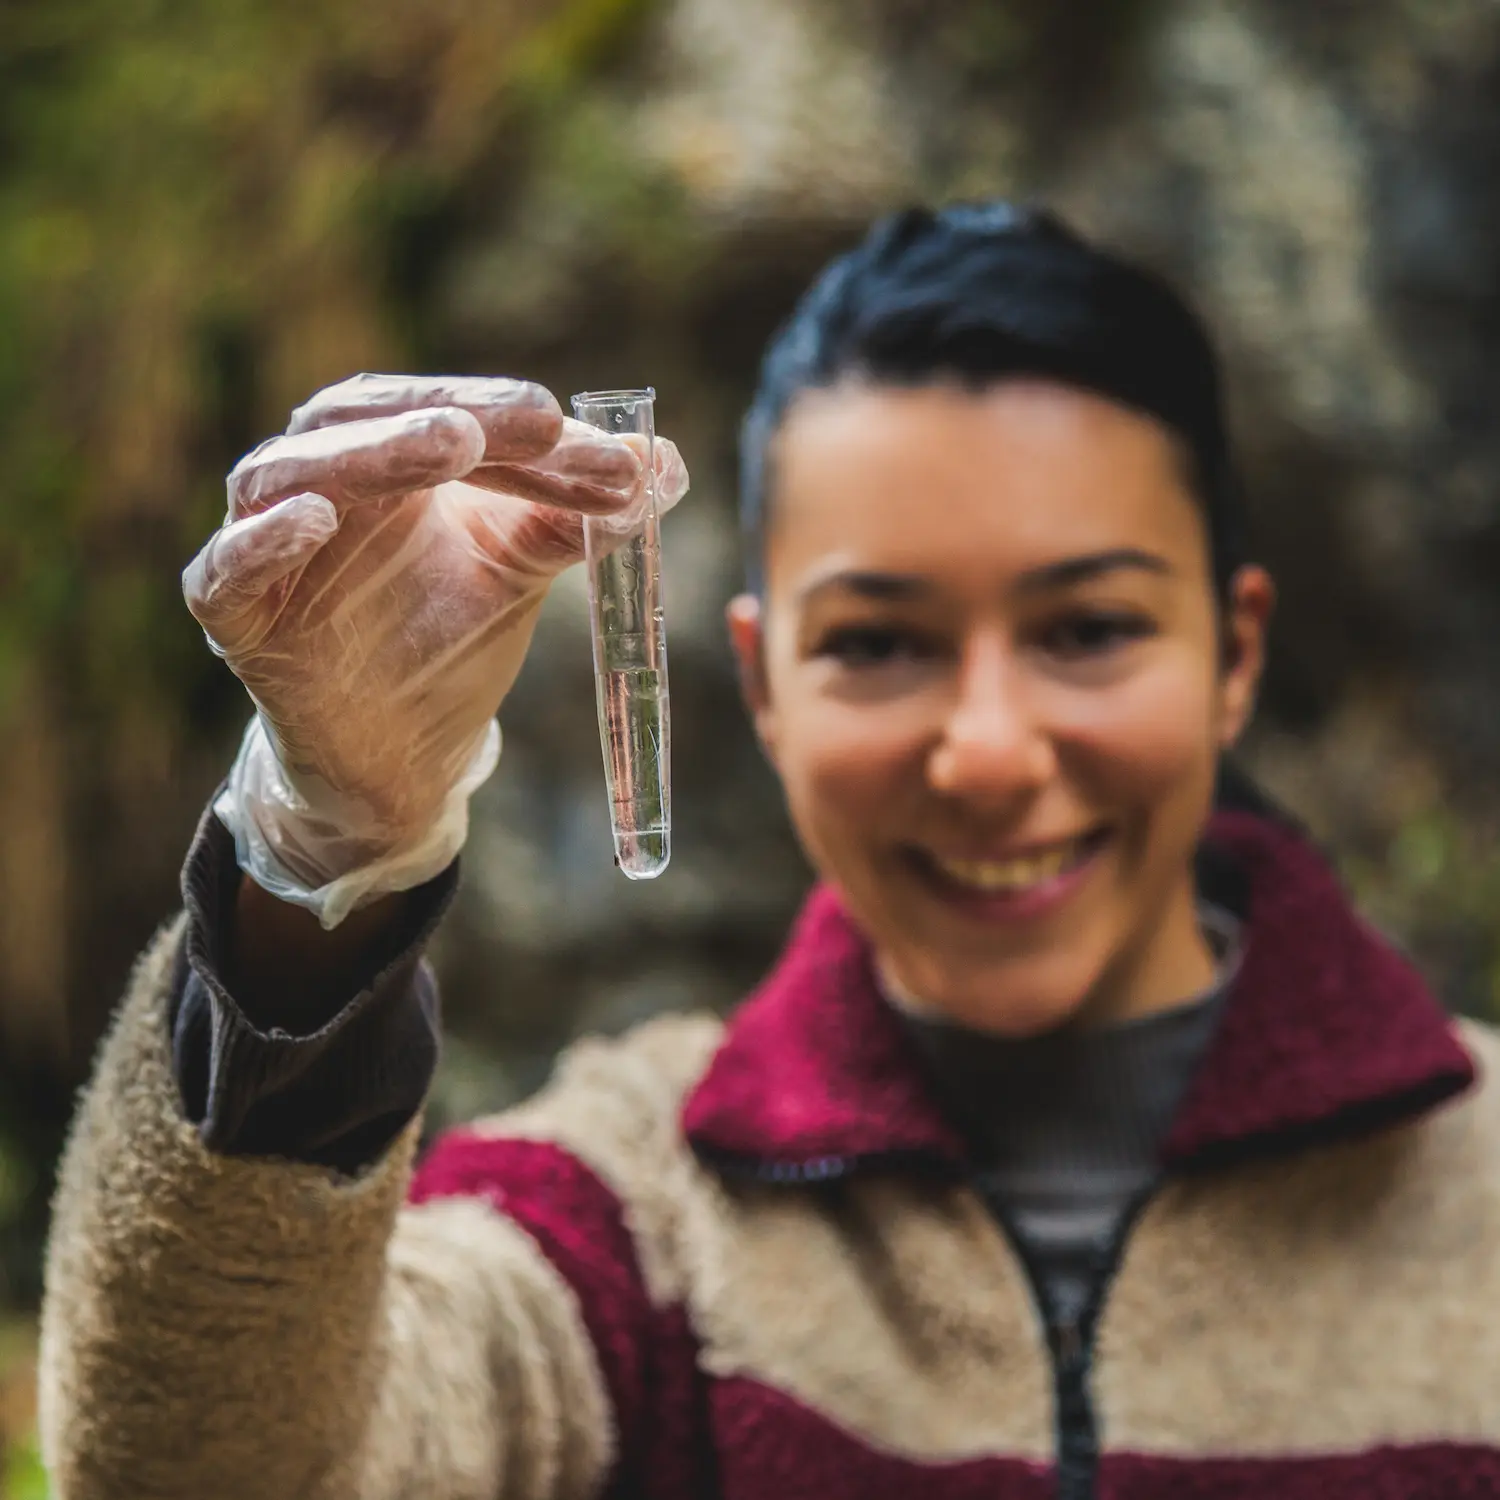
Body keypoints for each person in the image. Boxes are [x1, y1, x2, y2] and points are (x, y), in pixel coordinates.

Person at [35, 204, 1500, 1500]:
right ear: (763, 683)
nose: (988, 750)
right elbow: (213, 1469)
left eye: (1089, 629)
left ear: (1234, 654)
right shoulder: (639, 1218)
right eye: (876, 641)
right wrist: (323, 851)